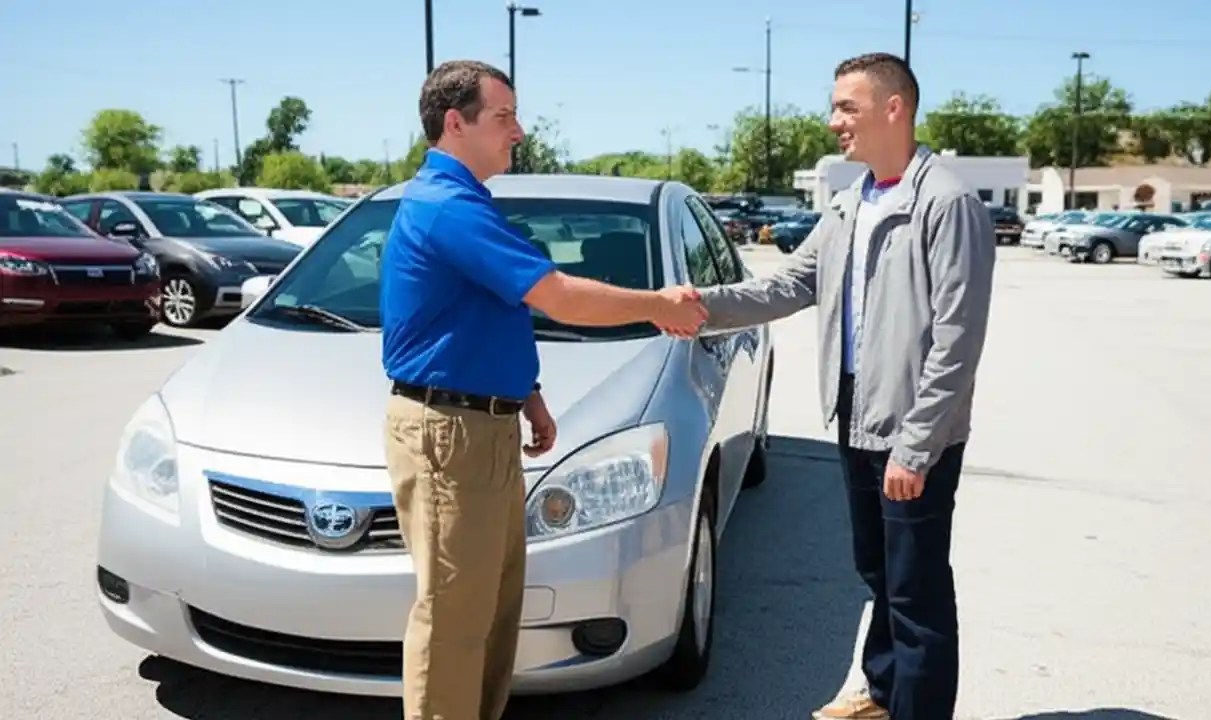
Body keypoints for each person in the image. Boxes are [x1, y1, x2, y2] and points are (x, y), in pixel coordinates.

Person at [379, 59, 706, 720]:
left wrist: (526, 393)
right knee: (453, 620)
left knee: (493, 609)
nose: (519, 131)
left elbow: (493, 311)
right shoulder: (445, 207)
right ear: (454, 123)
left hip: (481, 427)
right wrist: (657, 303)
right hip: (451, 435)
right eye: (503, 116)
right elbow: (555, 297)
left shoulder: (468, 203)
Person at [678, 53, 996, 720]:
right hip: (856, 413)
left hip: (914, 428)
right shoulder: (852, 205)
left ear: (894, 108)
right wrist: (697, 304)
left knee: (917, 590)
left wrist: (917, 445)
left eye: (846, 107)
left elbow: (956, 341)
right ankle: (882, 692)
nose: (833, 122)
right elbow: (788, 284)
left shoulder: (946, 202)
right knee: (880, 572)